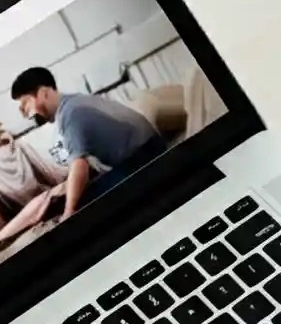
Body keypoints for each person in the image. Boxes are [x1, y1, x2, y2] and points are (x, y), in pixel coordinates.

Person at [10, 67, 168, 218]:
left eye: (27, 104)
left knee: (79, 202)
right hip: (150, 149)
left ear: (44, 93)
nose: (28, 115)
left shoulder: (71, 113)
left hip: (145, 161)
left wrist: (69, 212)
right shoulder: (77, 101)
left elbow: (80, 165)